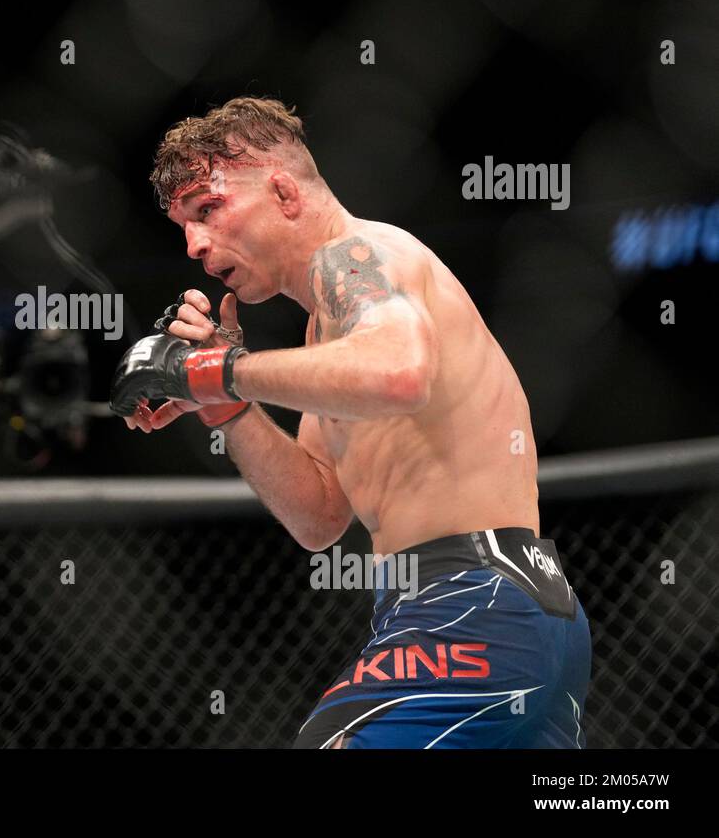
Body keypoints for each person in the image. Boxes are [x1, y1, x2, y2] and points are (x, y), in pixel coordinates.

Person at [111, 97, 590, 748]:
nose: (195, 244)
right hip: (490, 610)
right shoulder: (328, 338)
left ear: (282, 191)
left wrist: (215, 372)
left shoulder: (360, 256)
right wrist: (224, 406)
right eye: (183, 227)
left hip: (473, 602)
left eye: (207, 208)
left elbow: (400, 373)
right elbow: (320, 514)